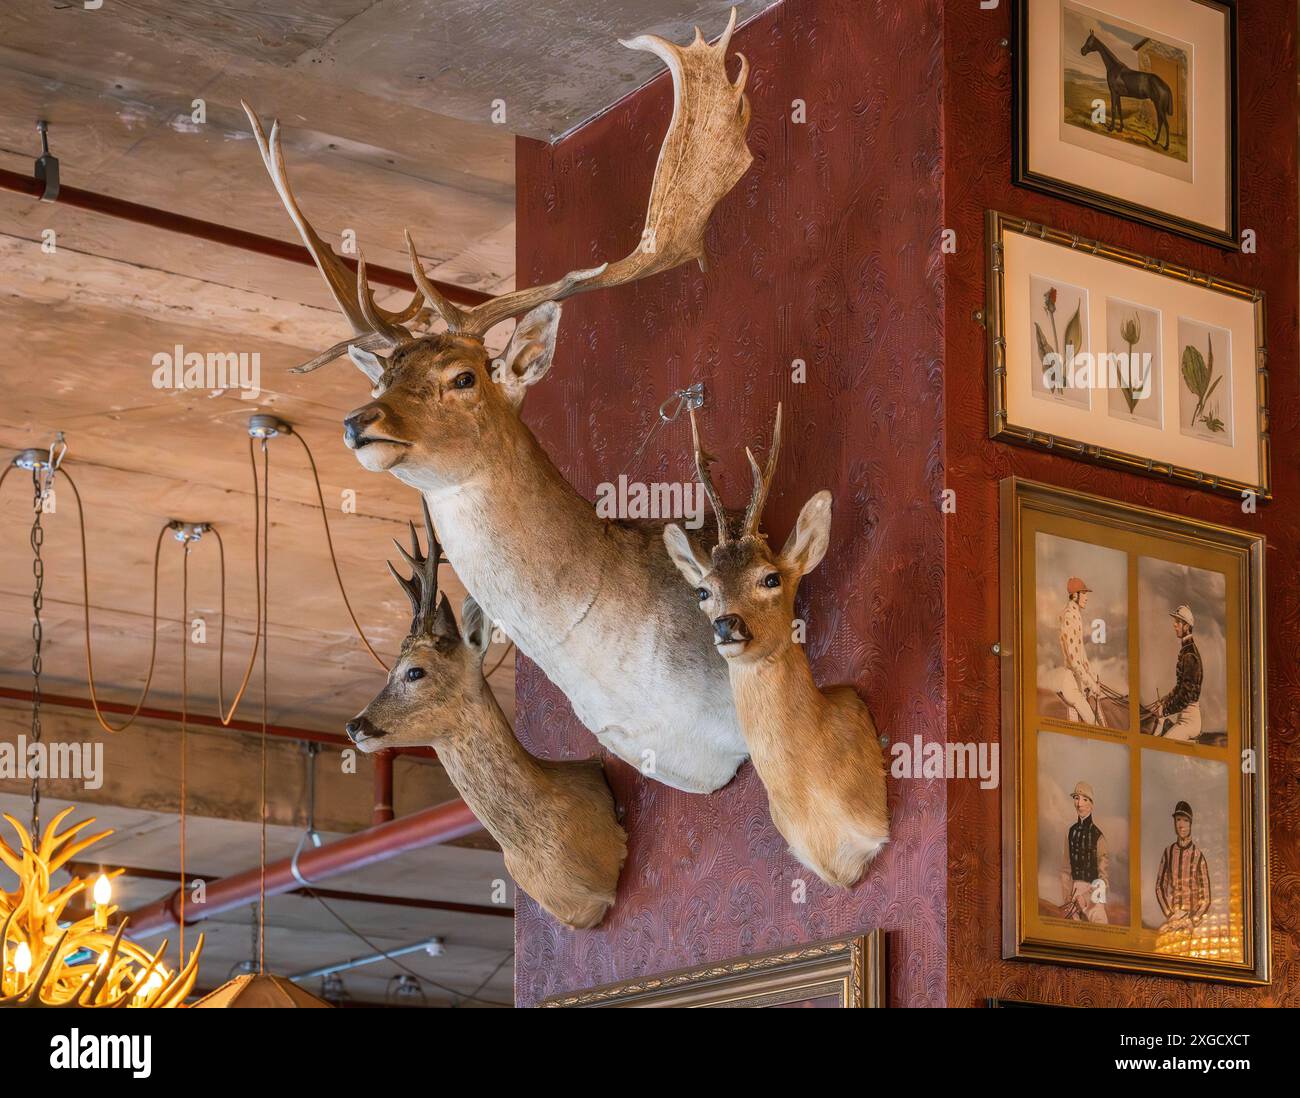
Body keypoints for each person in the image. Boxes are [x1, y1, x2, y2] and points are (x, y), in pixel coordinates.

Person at [1154, 801, 1211, 933]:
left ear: (1190, 824)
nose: (1181, 825)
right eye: (1178, 819)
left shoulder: (1198, 855)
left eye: (1185, 820)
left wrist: (1192, 920)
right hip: (1173, 919)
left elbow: (1206, 897)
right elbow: (1160, 886)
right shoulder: (1168, 852)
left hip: (1193, 923)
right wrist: (1170, 914)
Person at [1059, 780, 1109, 923]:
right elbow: (1065, 869)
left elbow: (1103, 880)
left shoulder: (1099, 837)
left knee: (1101, 928)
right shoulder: (1070, 833)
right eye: (1076, 798)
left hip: (1094, 895)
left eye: (1084, 799)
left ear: (1091, 805)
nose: (1079, 803)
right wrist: (1068, 897)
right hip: (1073, 892)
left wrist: (1086, 898)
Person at [1152, 605, 1202, 741]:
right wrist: (1166, 698)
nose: (1174, 625)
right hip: (1183, 716)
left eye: (1178, 622)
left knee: (1164, 745)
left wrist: (1165, 709)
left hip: (1190, 721)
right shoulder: (1186, 650)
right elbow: (1181, 686)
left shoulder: (1190, 655)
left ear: (1186, 626)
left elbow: (1185, 696)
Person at [1057, 577, 1101, 724]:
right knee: (1093, 724)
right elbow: (1075, 662)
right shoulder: (1070, 616)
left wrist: (1091, 675)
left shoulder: (1076, 615)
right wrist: (1091, 684)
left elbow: (1081, 654)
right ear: (1075, 595)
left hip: (1079, 682)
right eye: (1084, 593)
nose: (1087, 598)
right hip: (1072, 686)